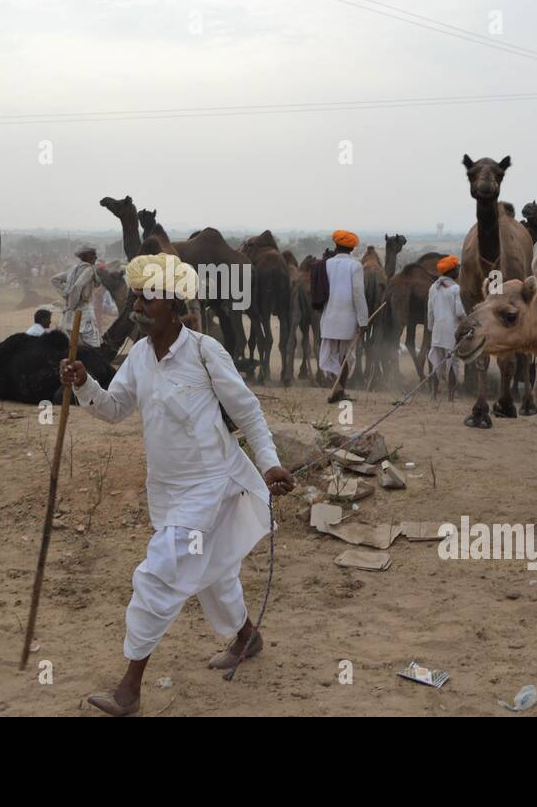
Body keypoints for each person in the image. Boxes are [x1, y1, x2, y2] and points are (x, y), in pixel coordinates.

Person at [59, 253, 295, 717]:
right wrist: (85, 383)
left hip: (210, 484)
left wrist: (269, 464)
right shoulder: (139, 359)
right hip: (165, 491)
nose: (139, 303)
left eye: (150, 295)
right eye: (136, 294)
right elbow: (112, 410)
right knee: (213, 572)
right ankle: (248, 638)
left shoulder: (206, 352)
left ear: (173, 302)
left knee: (159, 572)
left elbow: (247, 412)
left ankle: (129, 689)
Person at [318, 230, 369, 402]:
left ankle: (337, 389)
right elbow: (358, 294)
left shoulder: (325, 264)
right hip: (348, 319)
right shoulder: (355, 266)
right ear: (352, 248)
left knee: (331, 355)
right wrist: (363, 320)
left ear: (336, 245)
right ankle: (339, 390)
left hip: (329, 317)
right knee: (346, 356)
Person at [426, 256, 467, 401]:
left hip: (437, 329)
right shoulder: (456, 288)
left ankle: (434, 394)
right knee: (452, 363)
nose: (459, 270)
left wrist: (431, 328)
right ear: (452, 271)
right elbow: (460, 312)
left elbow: (430, 311)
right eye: (457, 268)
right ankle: (450, 396)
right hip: (452, 331)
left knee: (435, 362)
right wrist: (468, 325)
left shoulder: (433, 287)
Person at [50, 243, 102, 347]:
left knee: (74, 343)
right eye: (93, 254)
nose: (96, 257)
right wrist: (71, 304)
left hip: (70, 315)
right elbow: (77, 287)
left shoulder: (73, 269)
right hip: (84, 312)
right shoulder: (89, 270)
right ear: (85, 256)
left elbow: (54, 280)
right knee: (94, 344)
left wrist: (66, 294)